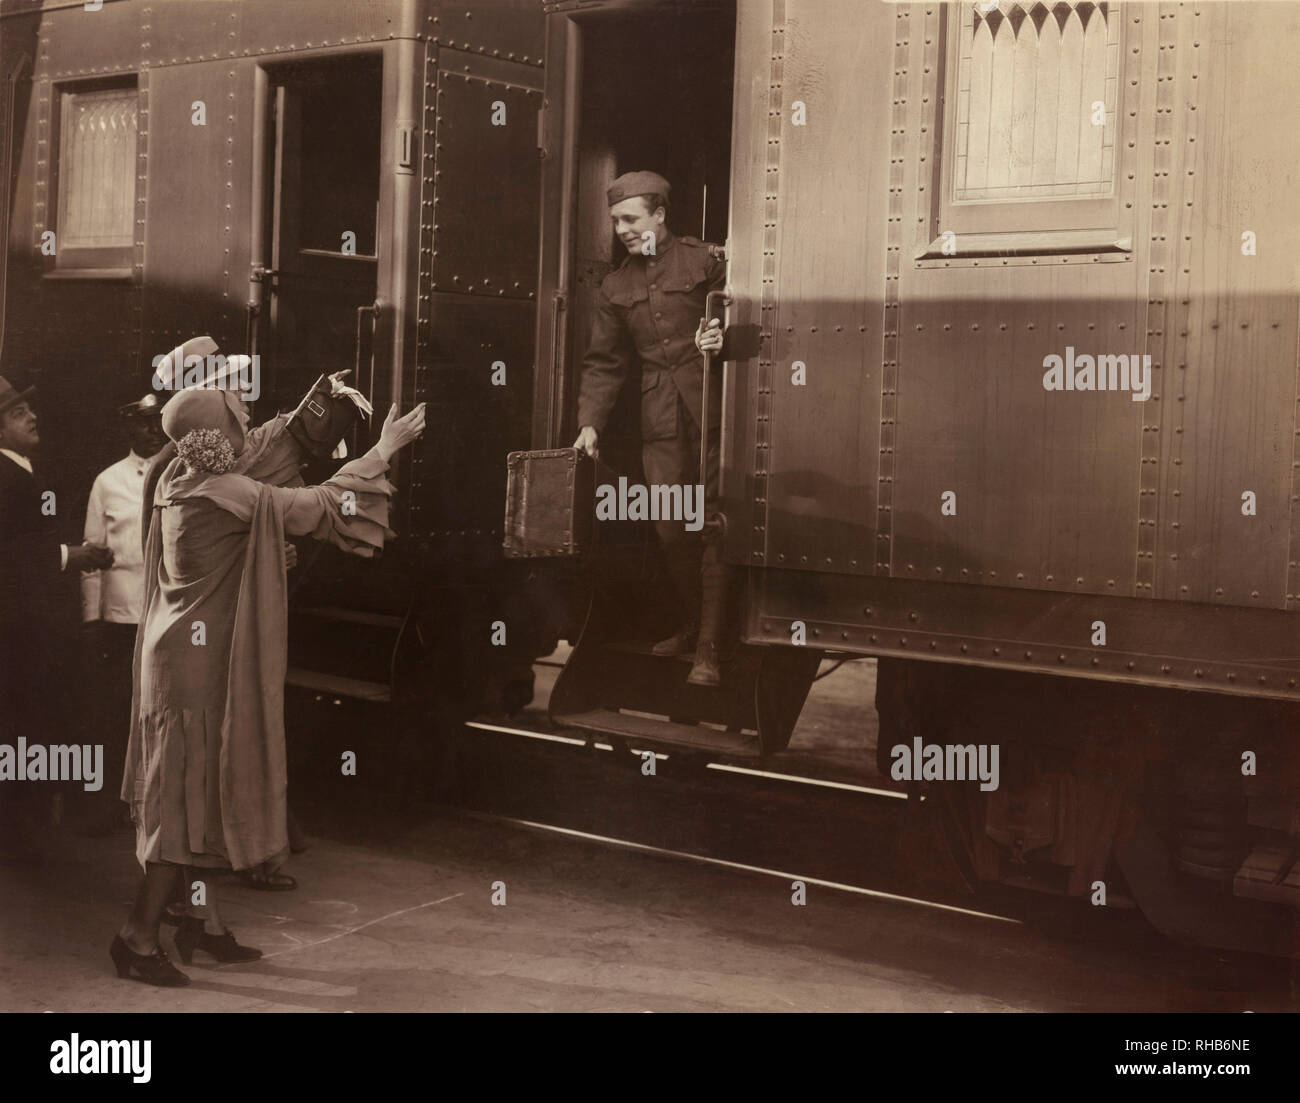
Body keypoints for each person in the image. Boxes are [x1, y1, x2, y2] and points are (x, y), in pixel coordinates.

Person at [110, 382, 425, 986]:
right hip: (194, 677)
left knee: (195, 796)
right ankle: (136, 937)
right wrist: (385, 447)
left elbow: (258, 457)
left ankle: (203, 924)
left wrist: (317, 402)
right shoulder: (226, 489)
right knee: (182, 807)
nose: (244, 429)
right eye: (235, 420)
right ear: (213, 436)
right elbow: (319, 504)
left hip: (174, 662)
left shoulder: (175, 472)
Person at [571, 171, 730, 685]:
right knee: (669, 524)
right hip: (659, 413)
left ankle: (710, 648)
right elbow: (604, 362)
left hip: (713, 406)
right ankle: (690, 625)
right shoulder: (616, 286)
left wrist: (720, 336)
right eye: (616, 220)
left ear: (660, 216)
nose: (620, 228)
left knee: (713, 522)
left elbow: (739, 312)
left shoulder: (705, 261)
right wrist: (589, 422)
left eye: (630, 218)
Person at [0, 375, 113, 833]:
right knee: (15, 718)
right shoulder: (6, 475)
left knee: (27, 718)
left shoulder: (24, 469)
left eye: (30, 410)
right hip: (14, 628)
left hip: (31, 627)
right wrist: (73, 555)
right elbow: (11, 556)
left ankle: (21, 821)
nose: (32, 417)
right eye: (18, 413)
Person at [79, 394, 167, 836]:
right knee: (116, 712)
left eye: (157, 423)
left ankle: (152, 808)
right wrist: (92, 618)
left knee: (158, 716)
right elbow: (92, 556)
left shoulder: (178, 475)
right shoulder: (107, 482)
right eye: (142, 424)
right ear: (127, 429)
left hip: (164, 615)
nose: (151, 432)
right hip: (120, 618)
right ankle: (111, 805)